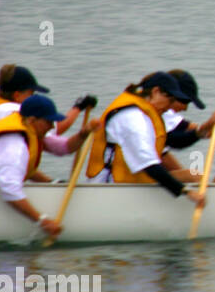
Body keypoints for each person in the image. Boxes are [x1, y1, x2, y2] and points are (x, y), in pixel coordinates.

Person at [85, 72, 204, 207]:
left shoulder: (145, 113)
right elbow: (149, 165)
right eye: (170, 100)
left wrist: (200, 133)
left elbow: (172, 141)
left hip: (131, 184)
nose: (171, 106)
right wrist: (185, 192)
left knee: (195, 176)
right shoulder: (132, 118)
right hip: (111, 189)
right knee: (191, 178)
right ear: (156, 91)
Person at [0, 95, 69, 241]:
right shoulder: (15, 147)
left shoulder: (21, 132)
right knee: (17, 265)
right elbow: (10, 191)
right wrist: (42, 221)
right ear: (31, 120)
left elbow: (19, 169)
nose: (51, 127)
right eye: (48, 121)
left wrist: (50, 182)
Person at [0, 64, 93, 158]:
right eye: (31, 93)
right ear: (17, 95)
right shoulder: (20, 113)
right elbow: (60, 137)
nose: (33, 97)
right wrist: (78, 107)